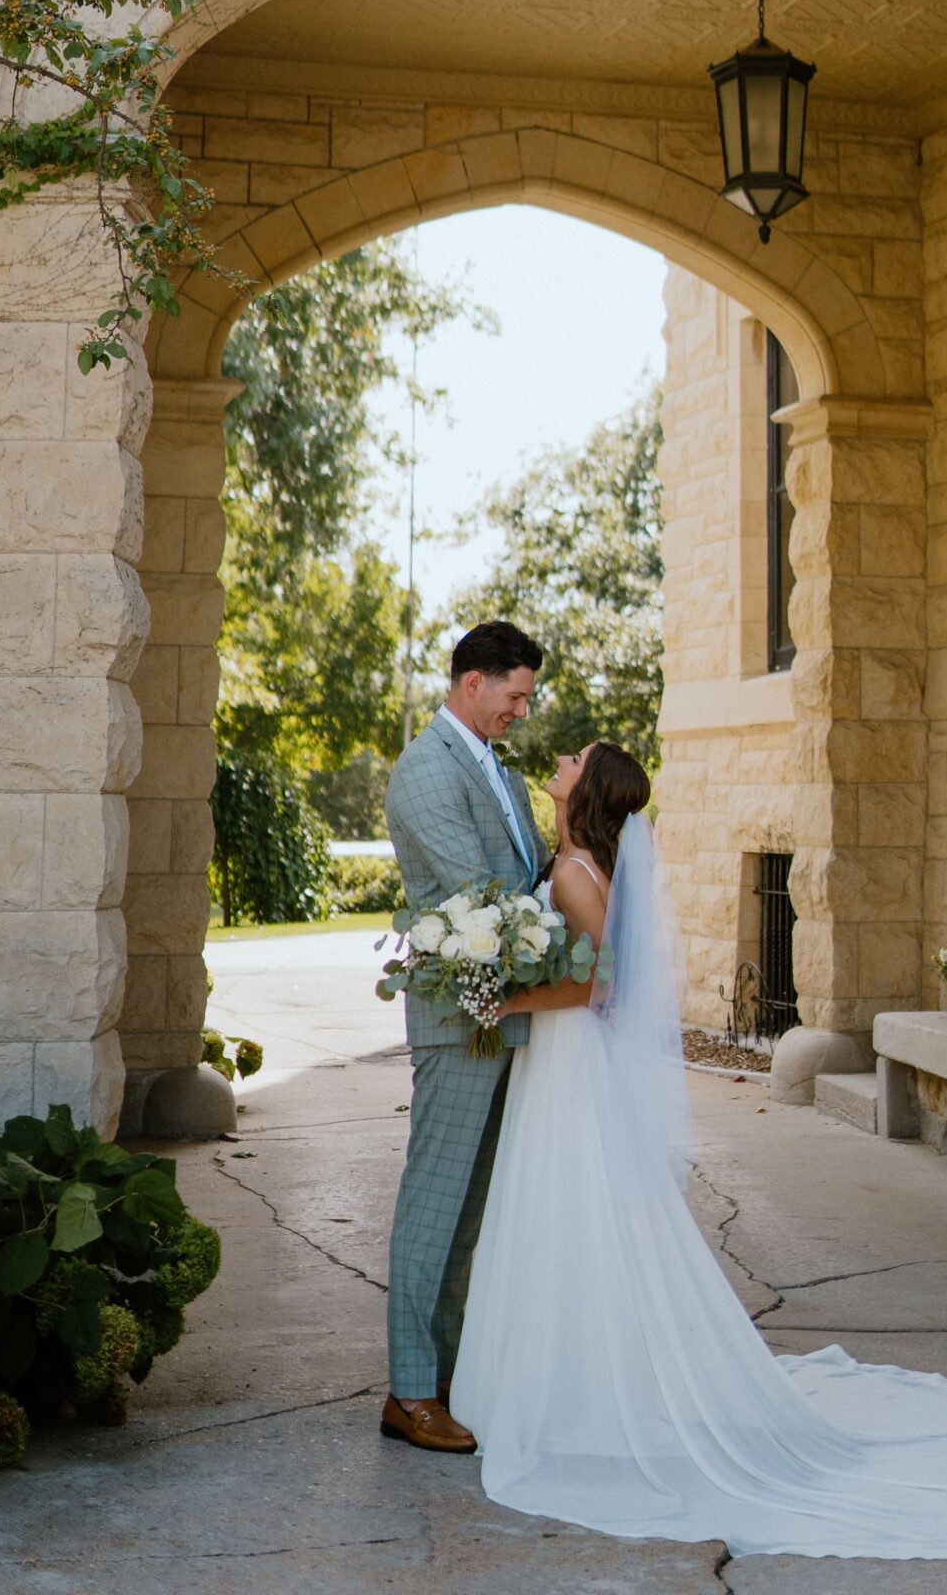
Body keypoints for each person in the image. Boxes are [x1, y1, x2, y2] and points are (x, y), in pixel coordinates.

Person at [448, 741, 947, 1563]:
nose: (558, 757)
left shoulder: (574, 874)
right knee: (566, 1219)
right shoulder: (579, 864)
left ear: (587, 789)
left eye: (573, 757)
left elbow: (601, 986)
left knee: (570, 1214)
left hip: (569, 1066)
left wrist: (506, 997)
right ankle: (574, 1386)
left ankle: (575, 1397)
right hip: (564, 1066)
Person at [380, 619, 548, 1455]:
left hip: (506, 1017)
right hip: (458, 1020)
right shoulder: (424, 771)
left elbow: (533, 877)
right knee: (434, 1204)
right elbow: (484, 895)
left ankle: (445, 1374)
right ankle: (408, 1392)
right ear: (472, 682)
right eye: (514, 694)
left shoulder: (500, 773)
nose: (522, 709)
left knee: (474, 1211)